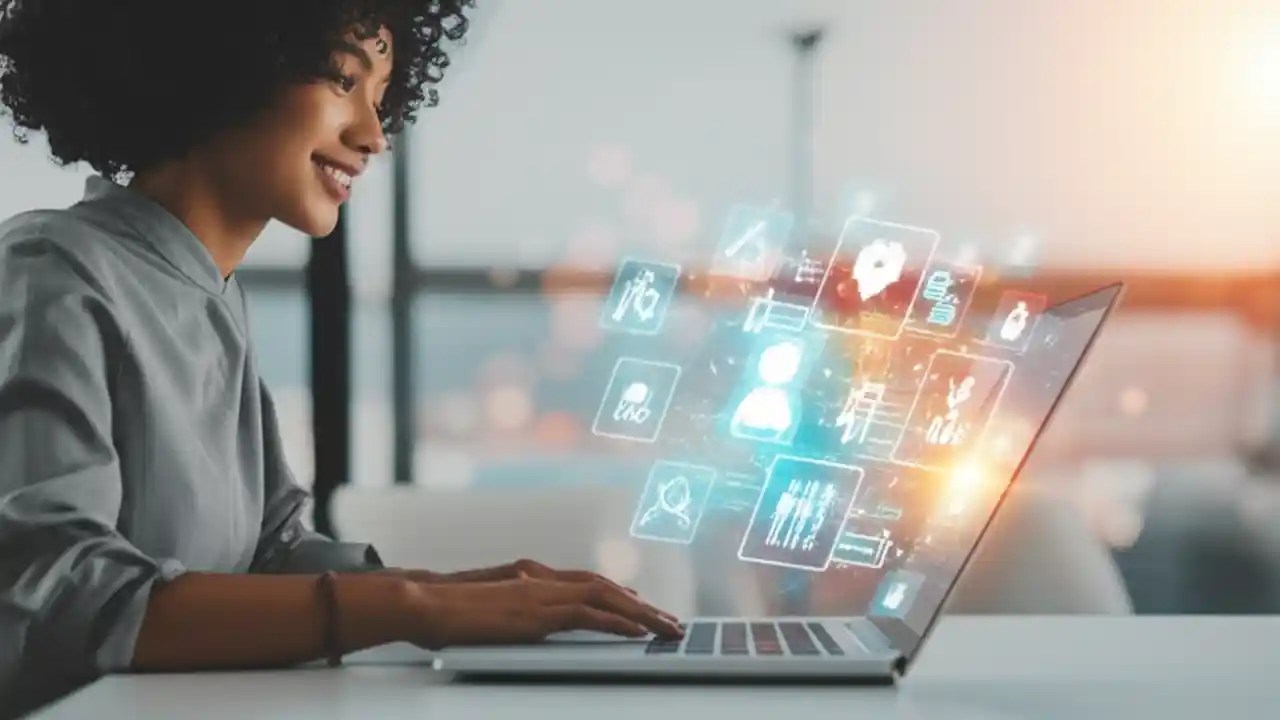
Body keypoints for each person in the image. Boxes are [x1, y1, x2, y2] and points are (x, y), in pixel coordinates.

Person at [0, 0, 681, 714]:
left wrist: (468, 593)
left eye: (381, 100)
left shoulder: (211, 295)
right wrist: (411, 608)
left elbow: (272, 551)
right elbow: (59, 596)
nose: (373, 135)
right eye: (342, 82)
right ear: (222, 62)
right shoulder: (52, 274)